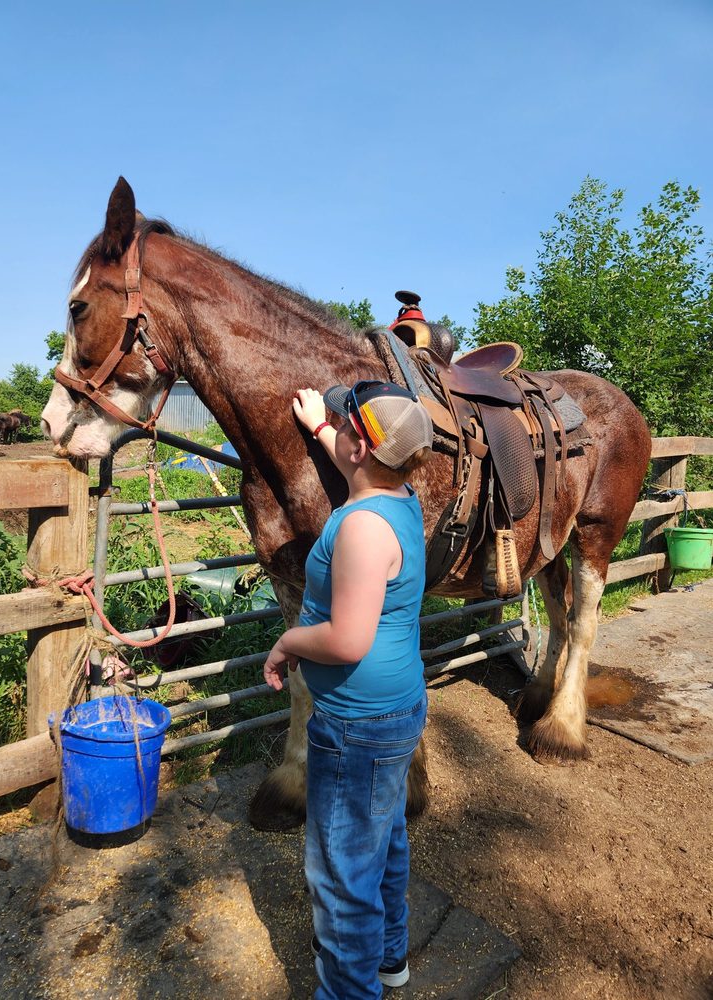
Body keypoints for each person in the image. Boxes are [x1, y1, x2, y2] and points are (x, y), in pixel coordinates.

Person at [264, 379, 434, 1000]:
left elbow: (346, 640)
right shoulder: (400, 492)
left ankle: (348, 991)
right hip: (393, 710)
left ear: (364, 450)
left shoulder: (362, 528)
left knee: (340, 875)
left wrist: (287, 644)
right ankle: (390, 960)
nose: (340, 433)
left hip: (356, 725)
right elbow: (355, 457)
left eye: (346, 427)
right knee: (384, 841)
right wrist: (319, 427)